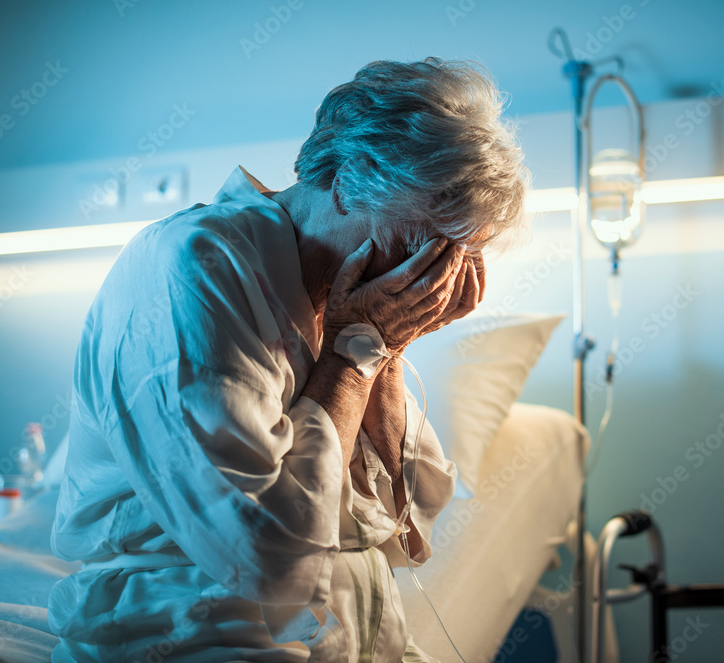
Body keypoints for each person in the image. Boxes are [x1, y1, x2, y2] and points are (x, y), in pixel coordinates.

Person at [48, 57, 529, 662]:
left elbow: (407, 524)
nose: (437, 273)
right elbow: (269, 556)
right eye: (428, 242)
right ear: (349, 181)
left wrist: (389, 344)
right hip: (195, 633)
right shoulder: (196, 267)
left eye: (460, 252)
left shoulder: (354, 302)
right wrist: (359, 349)